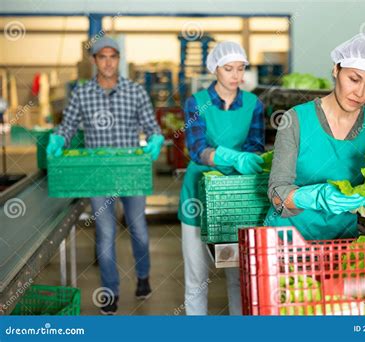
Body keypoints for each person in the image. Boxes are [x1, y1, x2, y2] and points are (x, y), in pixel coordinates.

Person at [46, 36, 164, 315]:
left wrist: (156, 139)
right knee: (105, 232)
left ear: (118, 59)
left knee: (139, 230)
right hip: (98, 175)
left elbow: (152, 127)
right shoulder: (82, 94)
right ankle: (110, 292)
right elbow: (68, 126)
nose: (108, 61)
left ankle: (143, 275)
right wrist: (57, 139)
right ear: (94, 61)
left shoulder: (135, 92)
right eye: (102, 56)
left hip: (130, 173)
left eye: (113, 56)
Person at [265, 33, 365, 240]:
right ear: (336, 69)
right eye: (353, 79)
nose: (360, 93)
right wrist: (316, 197)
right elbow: (276, 194)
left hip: (341, 244)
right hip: (287, 241)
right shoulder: (296, 119)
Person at [178, 41, 265, 315]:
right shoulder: (198, 103)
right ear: (215, 69)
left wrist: (246, 158)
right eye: (229, 69)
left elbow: (254, 145)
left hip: (236, 195)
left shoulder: (254, 104)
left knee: (239, 277)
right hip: (197, 195)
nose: (236, 76)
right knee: (196, 276)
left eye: (241, 69)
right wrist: (231, 157)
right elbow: (196, 149)